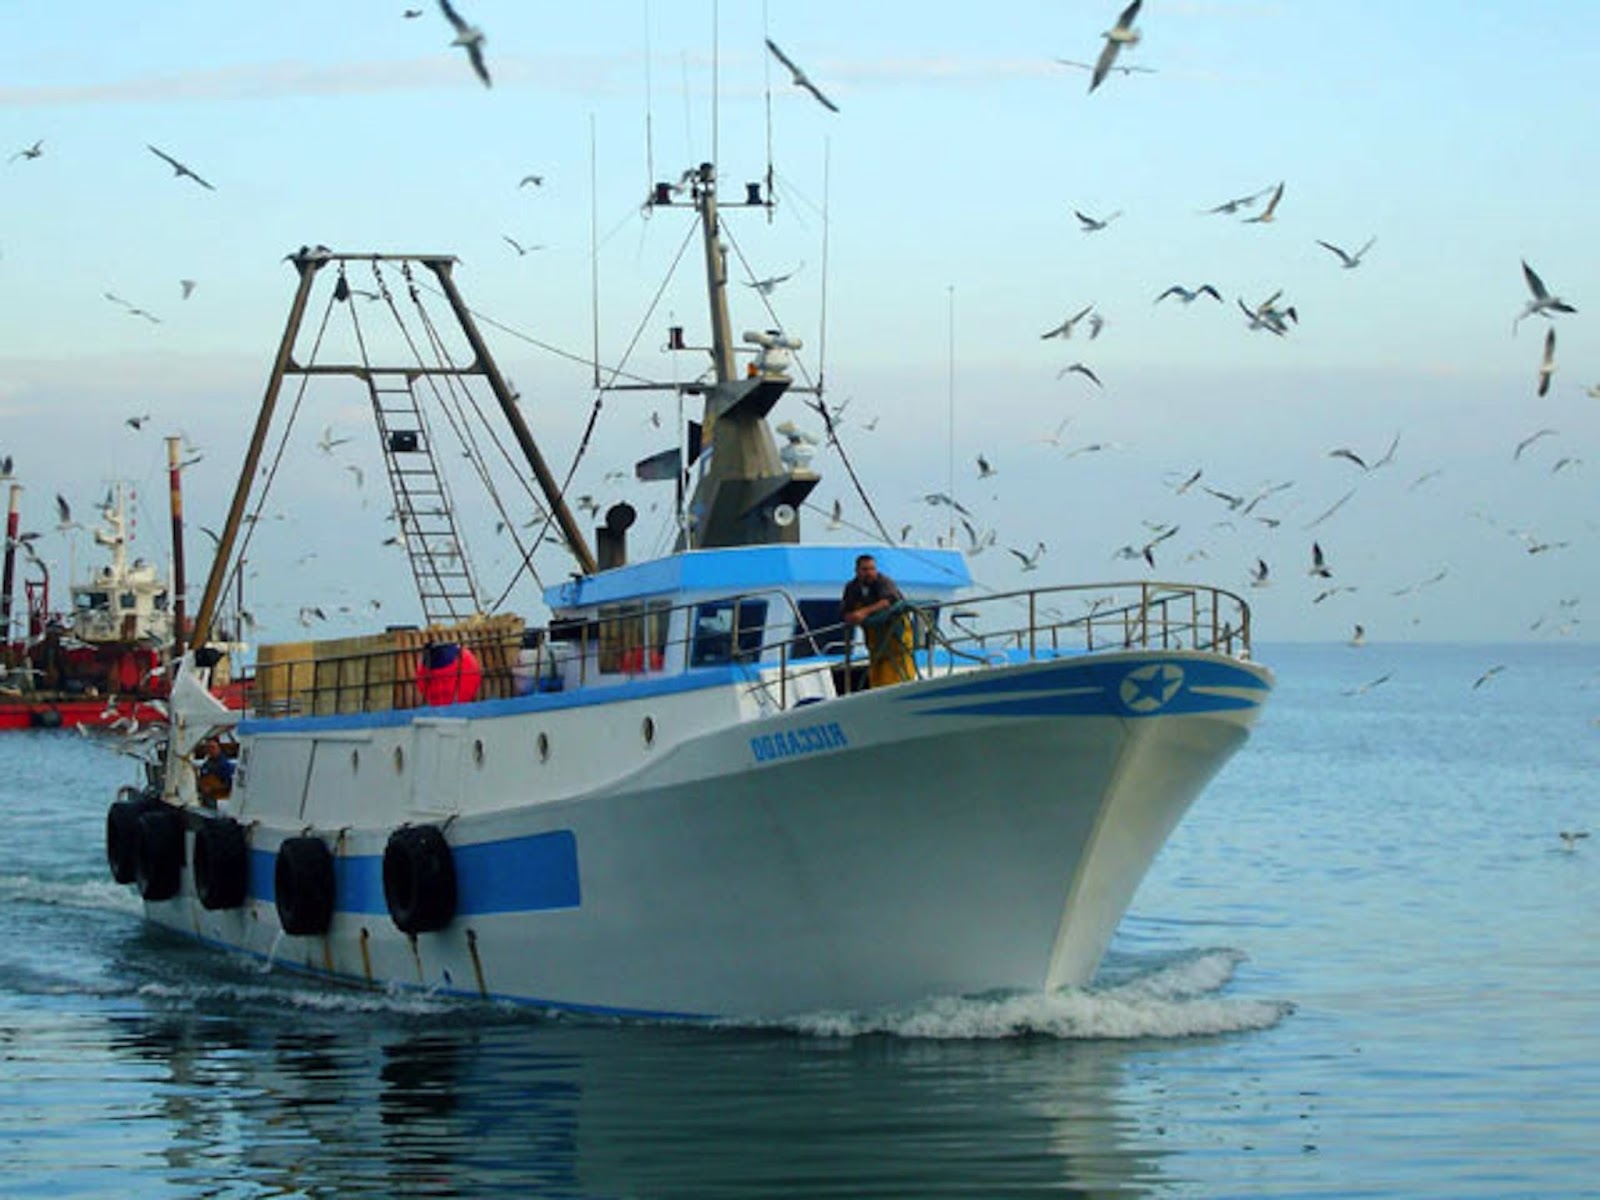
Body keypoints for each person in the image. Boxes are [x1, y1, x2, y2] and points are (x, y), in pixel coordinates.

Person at [840, 554, 916, 688]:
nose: (869, 573)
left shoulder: (884, 581)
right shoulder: (852, 588)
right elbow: (845, 611)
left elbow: (888, 601)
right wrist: (852, 617)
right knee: (877, 667)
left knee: (899, 665)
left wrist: (863, 612)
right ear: (857, 571)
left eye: (872, 569)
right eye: (865, 569)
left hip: (896, 635)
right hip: (875, 639)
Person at [195, 736, 236, 804]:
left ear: (219, 748)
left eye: (213, 747)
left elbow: (229, 784)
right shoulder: (206, 764)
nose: (210, 750)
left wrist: (213, 789)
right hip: (205, 798)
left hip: (218, 799)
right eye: (208, 748)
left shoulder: (224, 765)